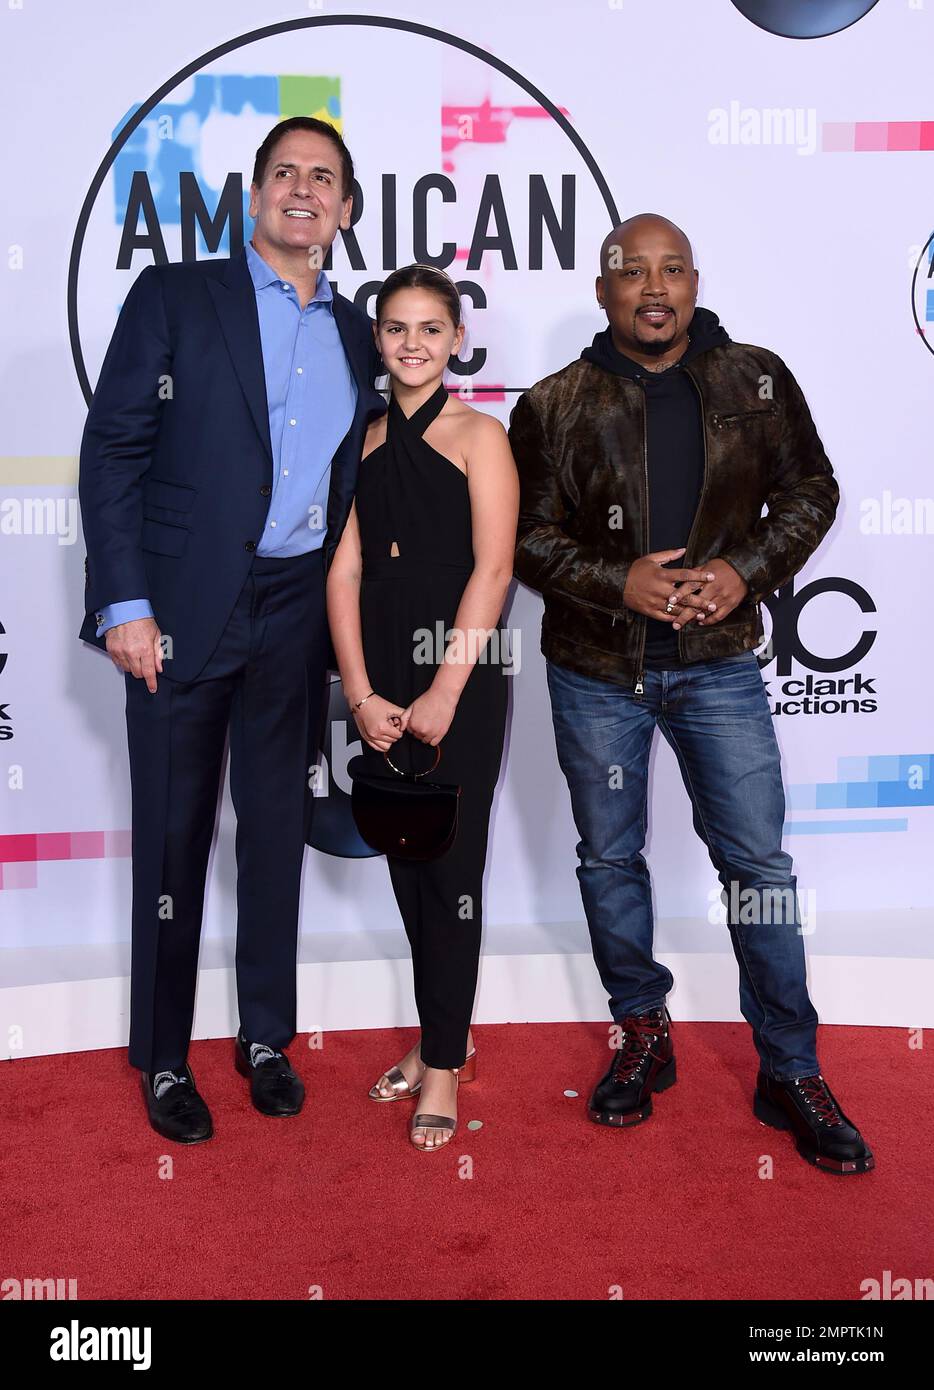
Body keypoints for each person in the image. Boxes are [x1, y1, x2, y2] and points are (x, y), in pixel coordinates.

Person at [508, 213, 873, 1175]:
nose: (654, 287)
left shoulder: (755, 377)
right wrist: (613, 578)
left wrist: (745, 569)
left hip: (718, 666)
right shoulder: (551, 404)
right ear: (603, 291)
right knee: (610, 860)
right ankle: (643, 1032)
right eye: (634, 272)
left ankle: (789, 1068)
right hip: (597, 673)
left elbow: (814, 490)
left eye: (673, 270)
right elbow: (527, 538)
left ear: (696, 281)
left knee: (758, 870)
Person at [78, 117, 386, 1143]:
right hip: (180, 610)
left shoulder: (354, 332)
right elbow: (114, 448)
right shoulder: (175, 295)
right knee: (173, 837)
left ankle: (264, 1035)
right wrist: (126, 602)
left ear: (344, 211)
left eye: (324, 179)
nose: (304, 190)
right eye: (286, 173)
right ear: (255, 196)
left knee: (275, 830)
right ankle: (164, 1055)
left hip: (294, 608)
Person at [327, 265, 518, 1152]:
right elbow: (344, 569)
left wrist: (446, 686)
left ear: (456, 341)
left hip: (459, 672)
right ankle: (447, 1033)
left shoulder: (484, 436)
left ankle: (442, 1066)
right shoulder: (359, 441)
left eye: (430, 329)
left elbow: (494, 569)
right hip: (380, 673)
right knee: (404, 860)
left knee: (452, 871)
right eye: (396, 328)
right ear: (378, 339)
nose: (412, 344)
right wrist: (360, 691)